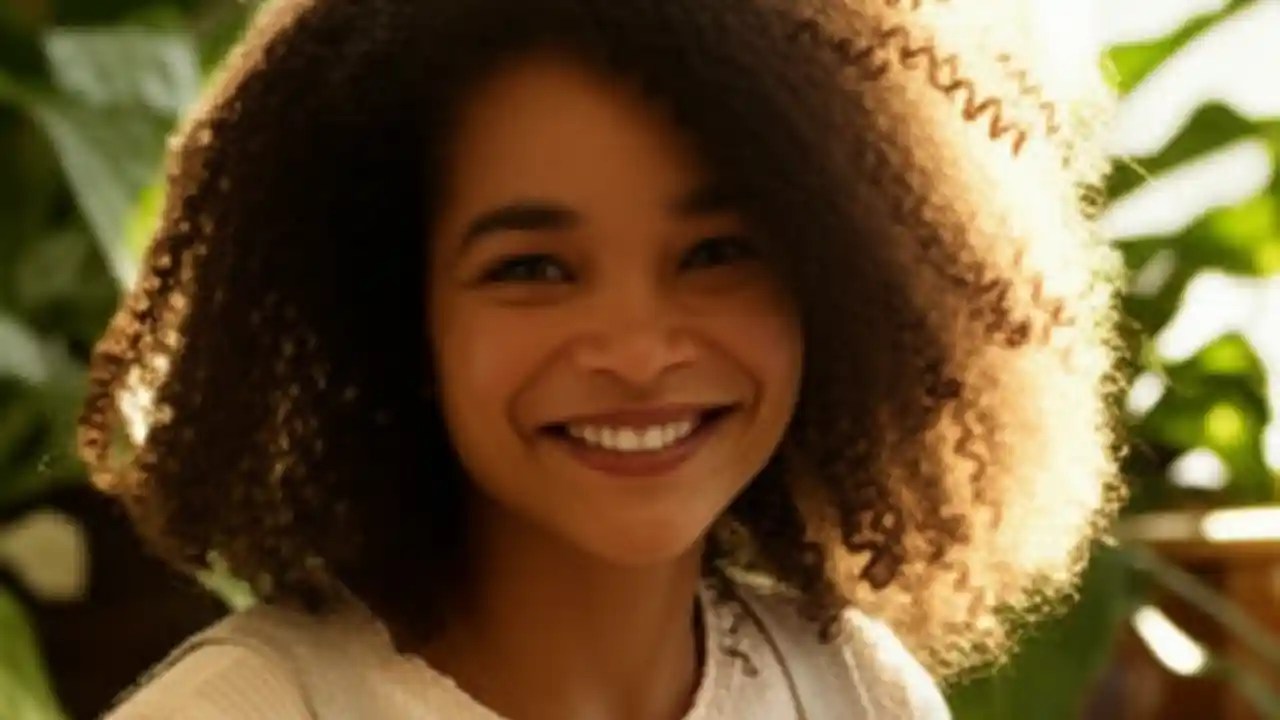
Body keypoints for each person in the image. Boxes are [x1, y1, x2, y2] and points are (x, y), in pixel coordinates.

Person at [78, 0, 1125, 717]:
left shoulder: (851, 690)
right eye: (532, 268)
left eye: (715, 254)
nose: (637, 351)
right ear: (395, 315)